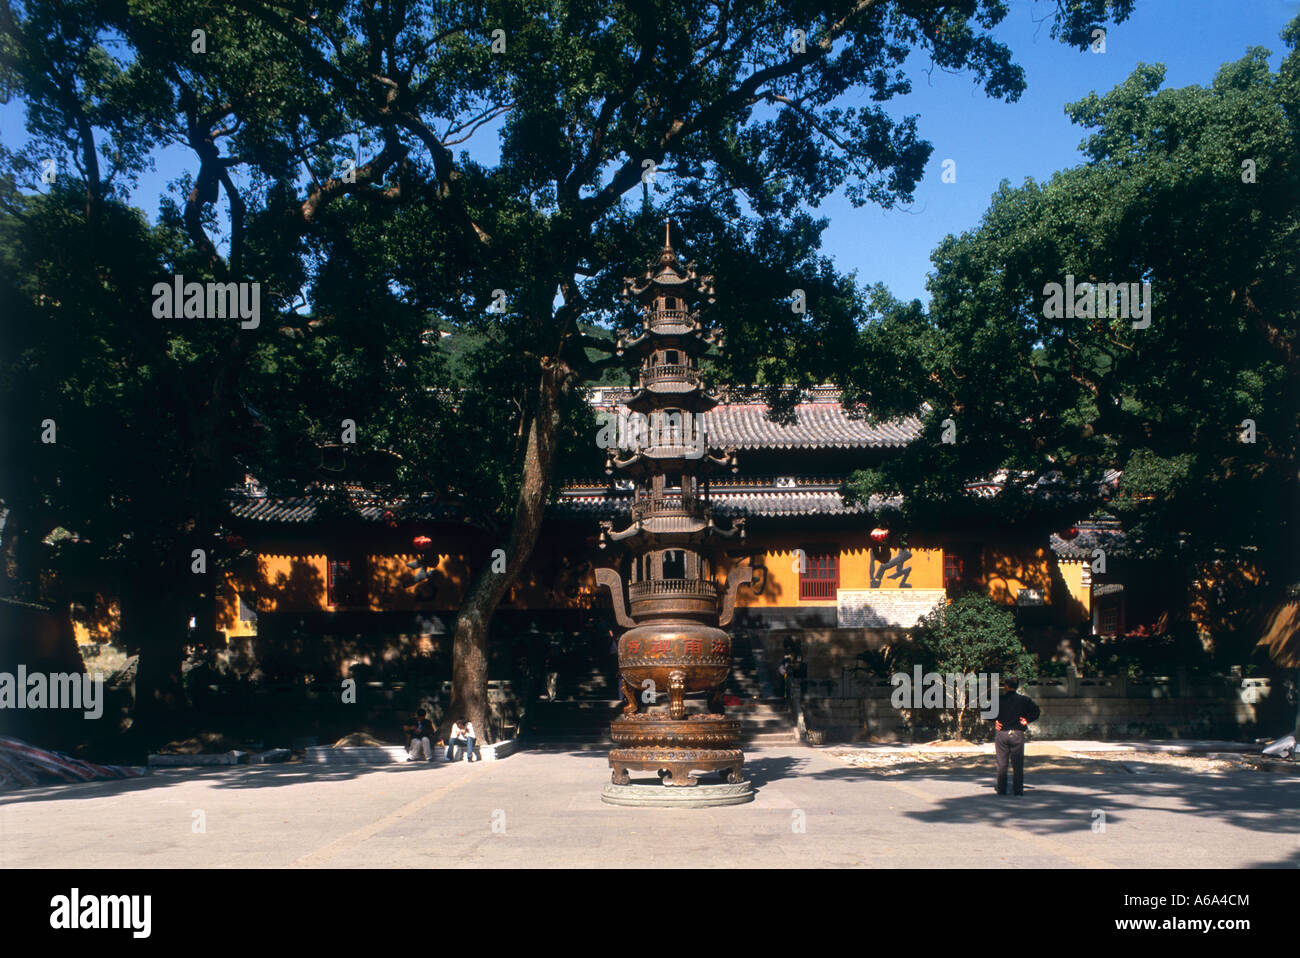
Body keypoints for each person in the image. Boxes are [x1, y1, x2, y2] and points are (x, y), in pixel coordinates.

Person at [991, 676, 1041, 795]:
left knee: (1002, 764)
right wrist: (1027, 720)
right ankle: (1018, 790)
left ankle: (1002, 789)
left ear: (1006, 686)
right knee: (1017, 764)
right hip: (1017, 734)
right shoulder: (1024, 700)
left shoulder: (998, 700)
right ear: (1017, 686)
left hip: (1002, 733)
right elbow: (1037, 711)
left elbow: (985, 711)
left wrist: (995, 720)